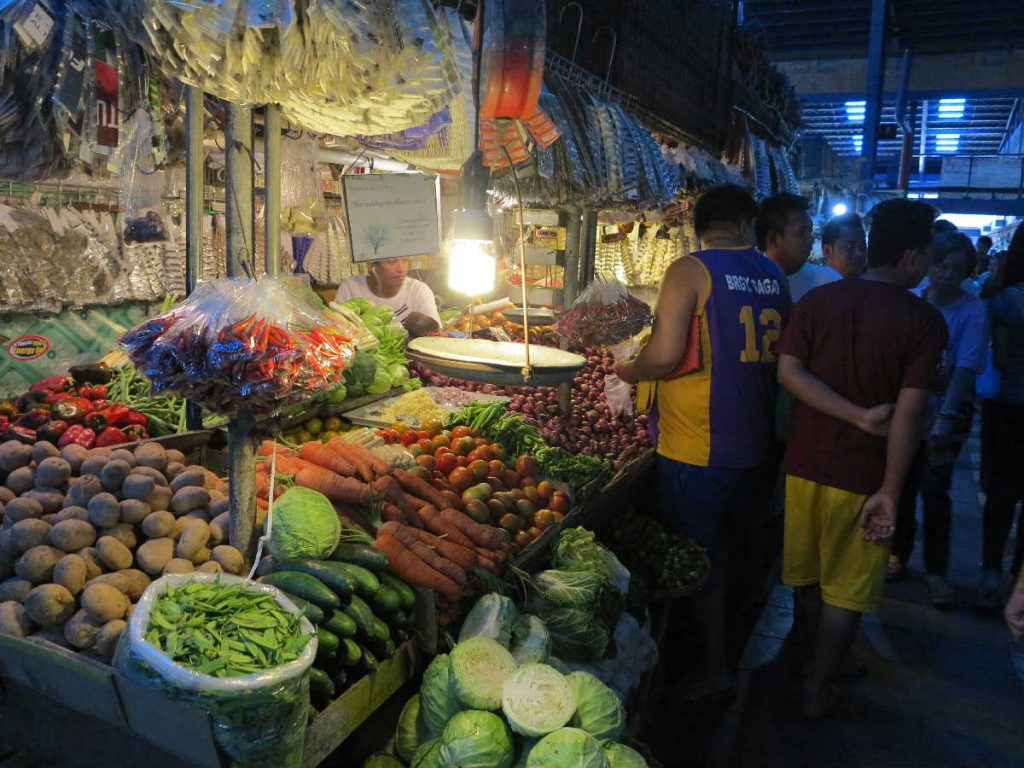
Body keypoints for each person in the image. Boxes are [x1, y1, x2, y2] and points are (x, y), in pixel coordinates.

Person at [615, 184, 791, 701]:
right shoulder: (773, 274)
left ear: (702, 225)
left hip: (699, 445)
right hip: (756, 442)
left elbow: (666, 355)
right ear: (744, 224)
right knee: (735, 550)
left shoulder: (692, 270)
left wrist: (627, 368)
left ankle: (708, 665)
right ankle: (730, 649)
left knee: (697, 559)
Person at [777, 198, 946, 717]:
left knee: (805, 578)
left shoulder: (820, 301)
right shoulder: (923, 320)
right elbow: (911, 414)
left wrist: (848, 412)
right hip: (865, 475)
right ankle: (816, 685)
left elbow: (788, 372)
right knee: (845, 593)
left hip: (804, 466)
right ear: (913, 256)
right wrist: (891, 492)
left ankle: (809, 662)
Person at [889, 233, 989, 606]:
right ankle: (896, 555)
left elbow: (964, 368)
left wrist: (945, 416)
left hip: (946, 408)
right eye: (941, 266)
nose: (947, 275)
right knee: (898, 483)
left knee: (935, 490)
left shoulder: (973, 310)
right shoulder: (911, 300)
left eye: (956, 269)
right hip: (905, 406)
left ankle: (936, 571)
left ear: (967, 273)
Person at [978, 223, 1024, 609]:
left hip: (1007, 405)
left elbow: (1001, 357)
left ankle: (991, 573)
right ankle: (1018, 580)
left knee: (1000, 495)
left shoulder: (1005, 298)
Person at [335, 257, 441, 337]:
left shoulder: (418, 290)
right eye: (391, 261)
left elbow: (435, 335)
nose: (401, 269)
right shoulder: (350, 288)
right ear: (371, 265)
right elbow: (336, 332)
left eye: (405, 260)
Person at [756, 193, 828, 302]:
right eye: (801, 232)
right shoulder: (749, 282)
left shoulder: (828, 282)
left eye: (810, 231)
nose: (811, 240)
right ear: (773, 239)